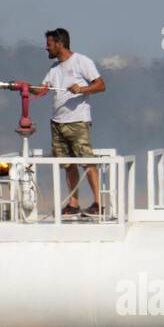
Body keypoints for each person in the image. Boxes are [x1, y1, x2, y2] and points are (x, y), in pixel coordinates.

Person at [29, 28, 106, 216]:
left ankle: (99, 203)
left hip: (77, 121)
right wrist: (24, 87)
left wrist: (81, 89)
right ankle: (73, 203)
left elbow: (101, 85)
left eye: (49, 45)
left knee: (87, 161)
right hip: (57, 123)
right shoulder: (54, 69)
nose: (46, 49)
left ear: (59, 43)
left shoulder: (81, 61)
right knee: (67, 164)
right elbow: (42, 90)